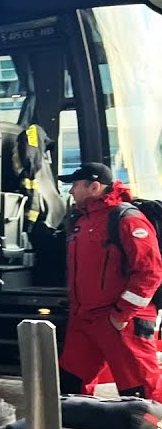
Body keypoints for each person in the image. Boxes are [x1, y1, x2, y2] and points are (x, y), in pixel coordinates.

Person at [57, 162, 162, 400]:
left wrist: (121, 314)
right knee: (70, 387)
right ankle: (77, 424)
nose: (71, 191)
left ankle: (147, 427)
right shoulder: (82, 221)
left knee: (140, 395)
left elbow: (149, 272)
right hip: (85, 319)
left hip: (121, 321)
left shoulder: (127, 219)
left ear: (94, 187)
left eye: (75, 185)